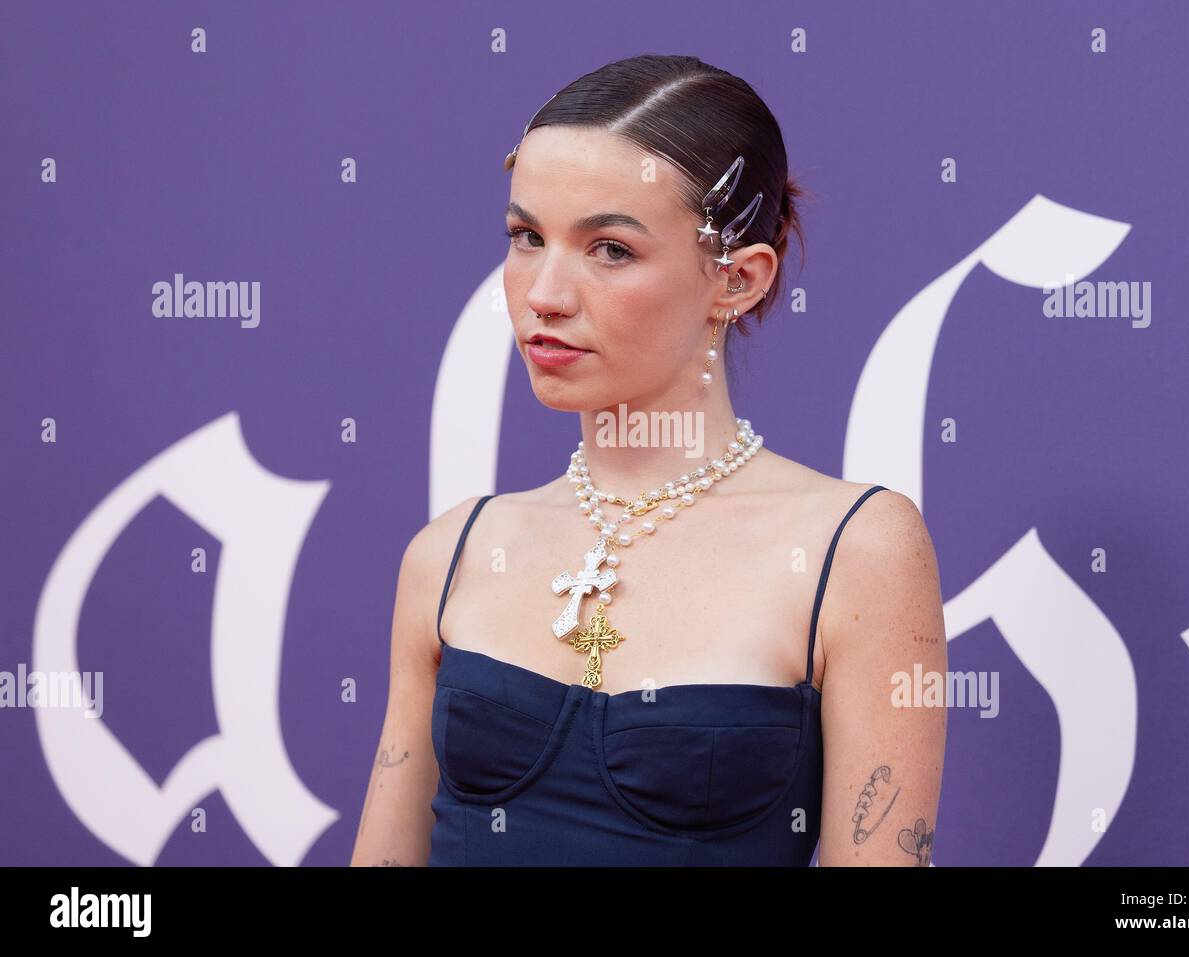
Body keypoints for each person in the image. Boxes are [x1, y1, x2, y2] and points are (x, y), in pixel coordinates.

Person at [351, 53, 946, 867]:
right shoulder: (450, 553)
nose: (544, 292)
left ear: (736, 280)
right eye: (526, 237)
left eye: (610, 250)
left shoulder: (855, 549)